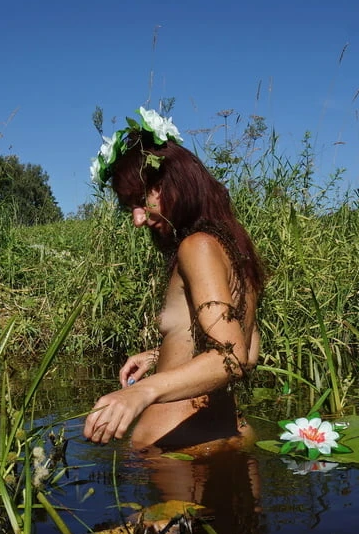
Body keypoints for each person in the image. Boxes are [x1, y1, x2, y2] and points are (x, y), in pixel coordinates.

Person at [83, 108, 264, 452]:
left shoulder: (197, 247)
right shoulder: (233, 249)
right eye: (130, 208)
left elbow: (232, 358)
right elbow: (249, 352)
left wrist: (140, 392)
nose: (138, 219)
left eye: (140, 201)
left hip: (176, 458)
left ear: (170, 183)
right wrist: (161, 355)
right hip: (227, 442)